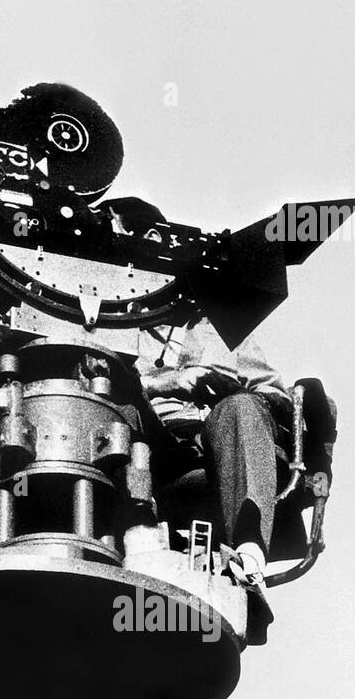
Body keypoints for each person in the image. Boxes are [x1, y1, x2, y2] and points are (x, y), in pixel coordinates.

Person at [109, 200, 291, 639]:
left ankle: (247, 562)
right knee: (117, 394)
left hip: (208, 448)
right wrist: (167, 382)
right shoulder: (101, 319)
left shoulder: (212, 328)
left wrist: (226, 388)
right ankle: (137, 543)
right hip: (140, 446)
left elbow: (277, 399)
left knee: (243, 409)